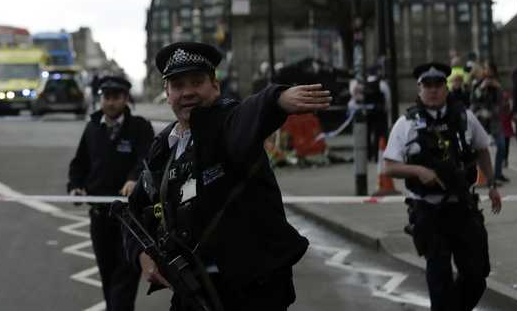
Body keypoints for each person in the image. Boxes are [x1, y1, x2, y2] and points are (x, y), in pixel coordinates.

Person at [121, 41, 330, 310]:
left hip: (252, 292)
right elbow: (134, 211)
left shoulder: (226, 122)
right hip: (193, 289)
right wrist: (141, 255)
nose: (188, 93)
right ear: (167, 92)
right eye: (178, 85)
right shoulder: (164, 147)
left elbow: (246, 114)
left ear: (215, 86)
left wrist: (277, 99)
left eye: (197, 82)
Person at [383, 62, 502, 311]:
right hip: (428, 211)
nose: (434, 90)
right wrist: (418, 171)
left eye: (439, 84)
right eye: (428, 85)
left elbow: (482, 149)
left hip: (462, 207)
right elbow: (389, 167)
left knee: (476, 275)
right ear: (419, 88)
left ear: (446, 88)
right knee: (440, 280)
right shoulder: (406, 123)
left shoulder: (464, 117)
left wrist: (491, 184)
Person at [68, 75, 154, 311]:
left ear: (126, 99)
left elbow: (146, 158)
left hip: (129, 218)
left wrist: (134, 178)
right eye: (106, 97)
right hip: (100, 216)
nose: (111, 103)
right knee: (107, 275)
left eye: (116, 97)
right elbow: (79, 164)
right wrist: (76, 186)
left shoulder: (139, 127)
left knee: (125, 276)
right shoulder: (93, 128)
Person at [471, 60, 509, 182]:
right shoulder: (478, 83)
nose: (487, 72)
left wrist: (499, 88)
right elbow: (473, 99)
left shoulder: (497, 84)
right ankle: (482, 176)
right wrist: (481, 88)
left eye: (489, 69)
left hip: (494, 121)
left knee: (501, 146)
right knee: (480, 149)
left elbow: (502, 103)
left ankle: (498, 173)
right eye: (485, 69)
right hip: (481, 121)